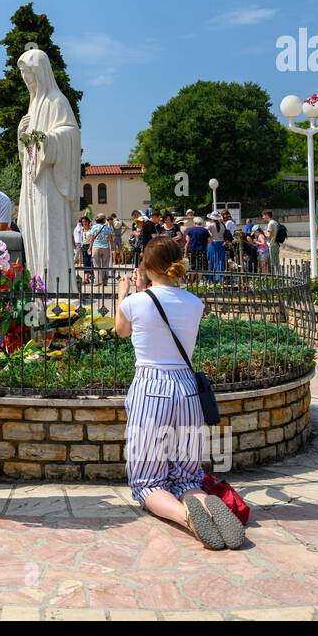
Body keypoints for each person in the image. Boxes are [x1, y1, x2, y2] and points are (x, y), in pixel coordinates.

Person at [114, 236, 244, 550]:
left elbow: (121, 331)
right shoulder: (195, 303)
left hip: (151, 390)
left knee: (148, 482)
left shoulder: (136, 301)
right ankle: (203, 503)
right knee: (187, 476)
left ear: (145, 267)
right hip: (187, 390)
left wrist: (124, 292)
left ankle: (185, 516)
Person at [90, 212, 115, 287]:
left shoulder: (94, 227)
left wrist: (90, 247)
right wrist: (112, 247)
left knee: (96, 265)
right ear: (104, 220)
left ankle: (97, 281)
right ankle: (105, 281)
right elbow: (111, 238)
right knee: (105, 265)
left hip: (96, 247)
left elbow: (92, 239)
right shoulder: (107, 227)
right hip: (105, 248)